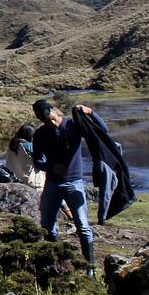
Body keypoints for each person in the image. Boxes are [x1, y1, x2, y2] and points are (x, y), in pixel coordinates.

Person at [32, 98, 98, 277]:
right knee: (46, 224)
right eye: (45, 121)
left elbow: (102, 131)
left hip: (74, 182)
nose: (50, 122)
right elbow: (36, 161)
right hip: (52, 183)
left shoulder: (73, 126)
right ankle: (56, 263)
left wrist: (91, 113)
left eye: (51, 118)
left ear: (55, 110)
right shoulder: (40, 134)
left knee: (82, 225)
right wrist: (52, 167)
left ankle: (90, 268)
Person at [5, 123, 43, 189]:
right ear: (31, 135)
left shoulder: (11, 145)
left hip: (13, 180)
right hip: (30, 183)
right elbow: (43, 160)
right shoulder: (28, 146)